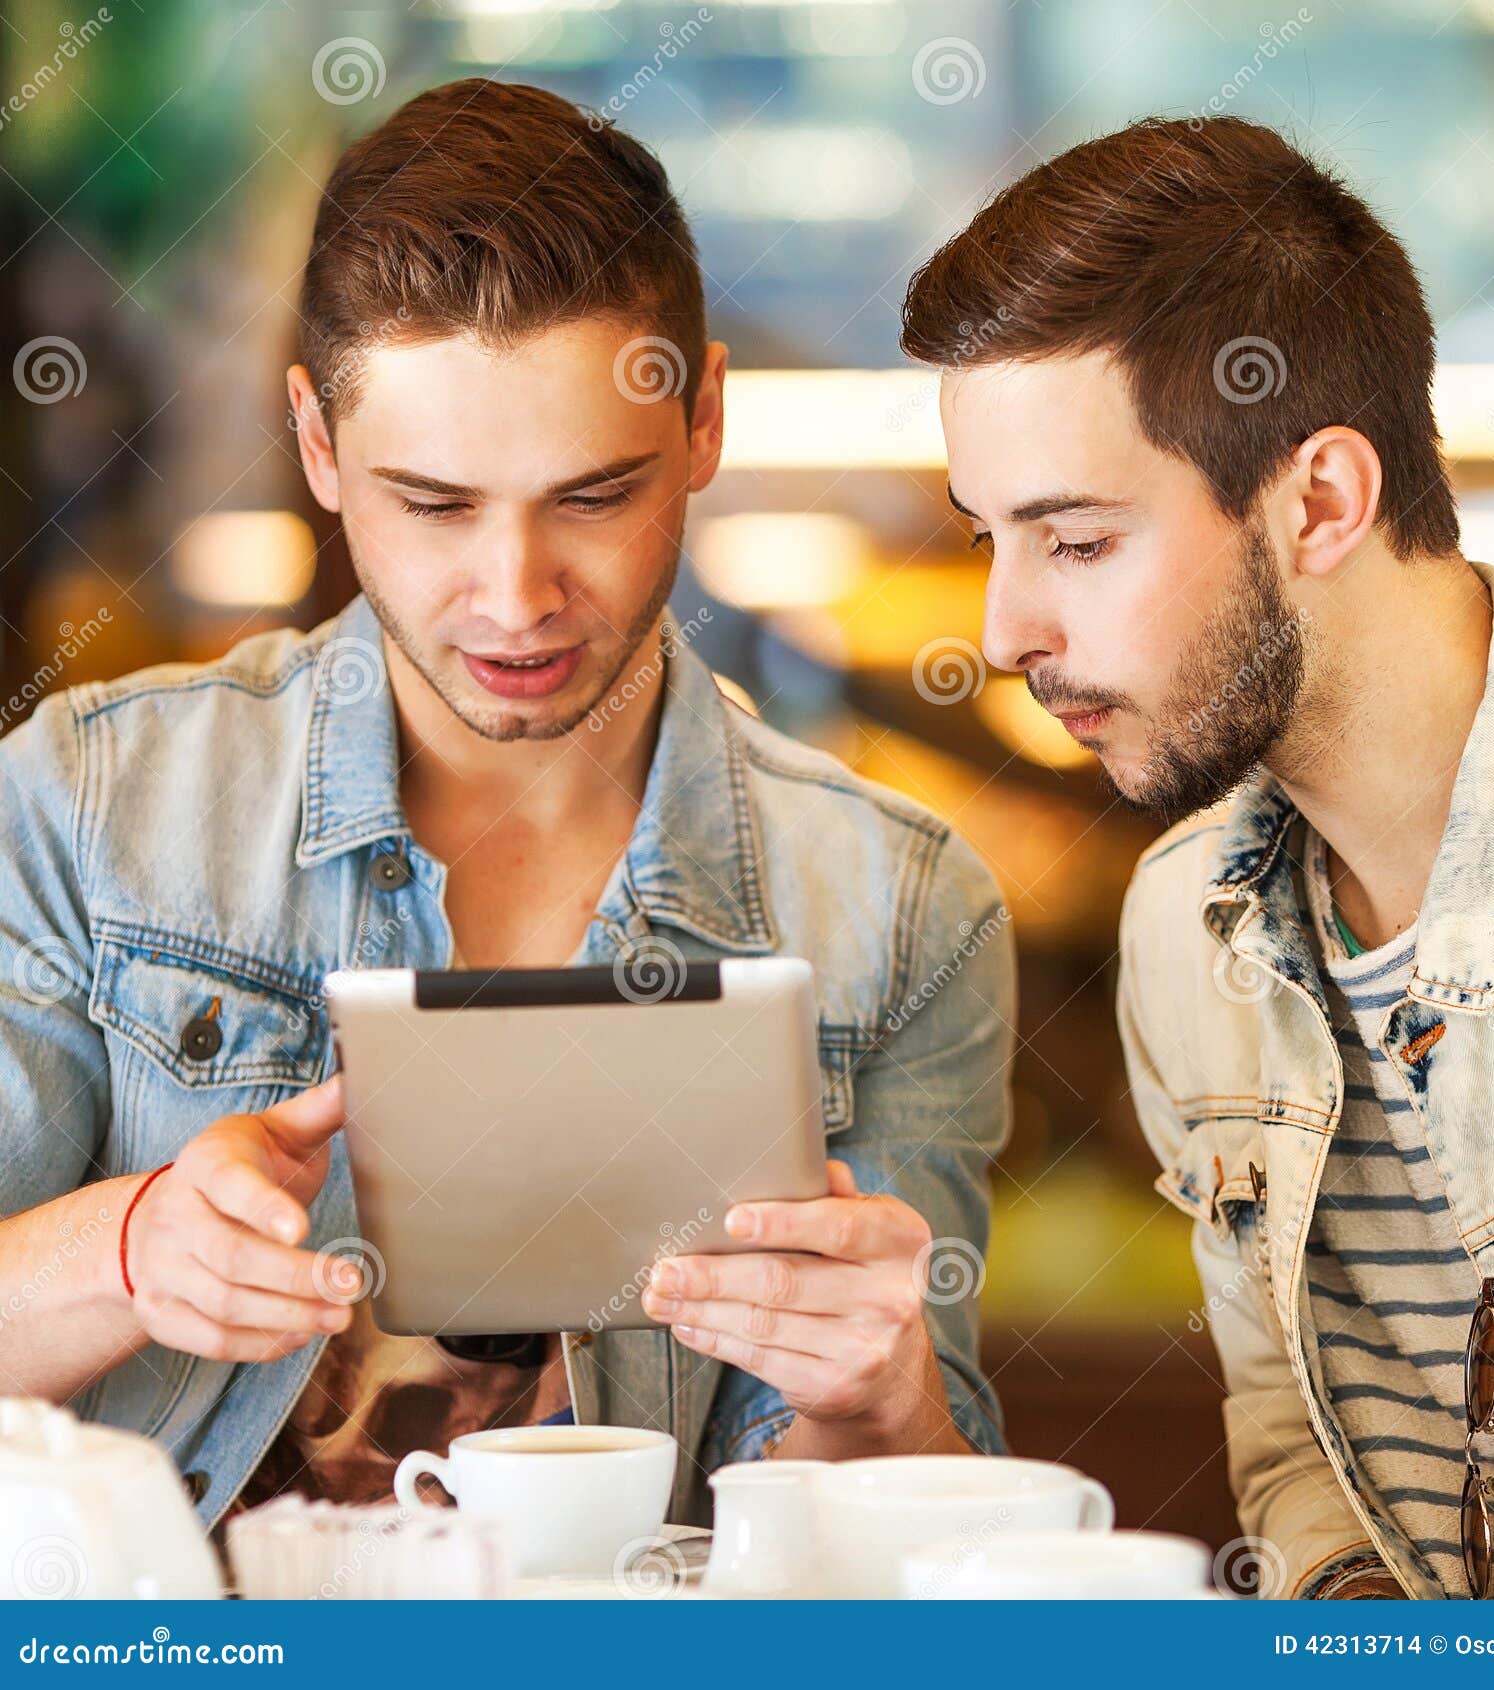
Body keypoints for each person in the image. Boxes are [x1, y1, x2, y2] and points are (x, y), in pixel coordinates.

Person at [0, 78, 1013, 1532]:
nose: (517, 597)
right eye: (435, 504)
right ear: (317, 445)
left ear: (704, 420)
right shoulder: (85, 803)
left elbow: (904, 1555)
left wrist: (882, 1399)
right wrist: (129, 1248)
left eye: (592, 497)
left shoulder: (906, 913)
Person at [901, 114, 1494, 1599]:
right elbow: (1297, 1453)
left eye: (1077, 542)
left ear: (1321, 501)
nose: (1005, 633)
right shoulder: (1184, 929)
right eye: (986, 540)